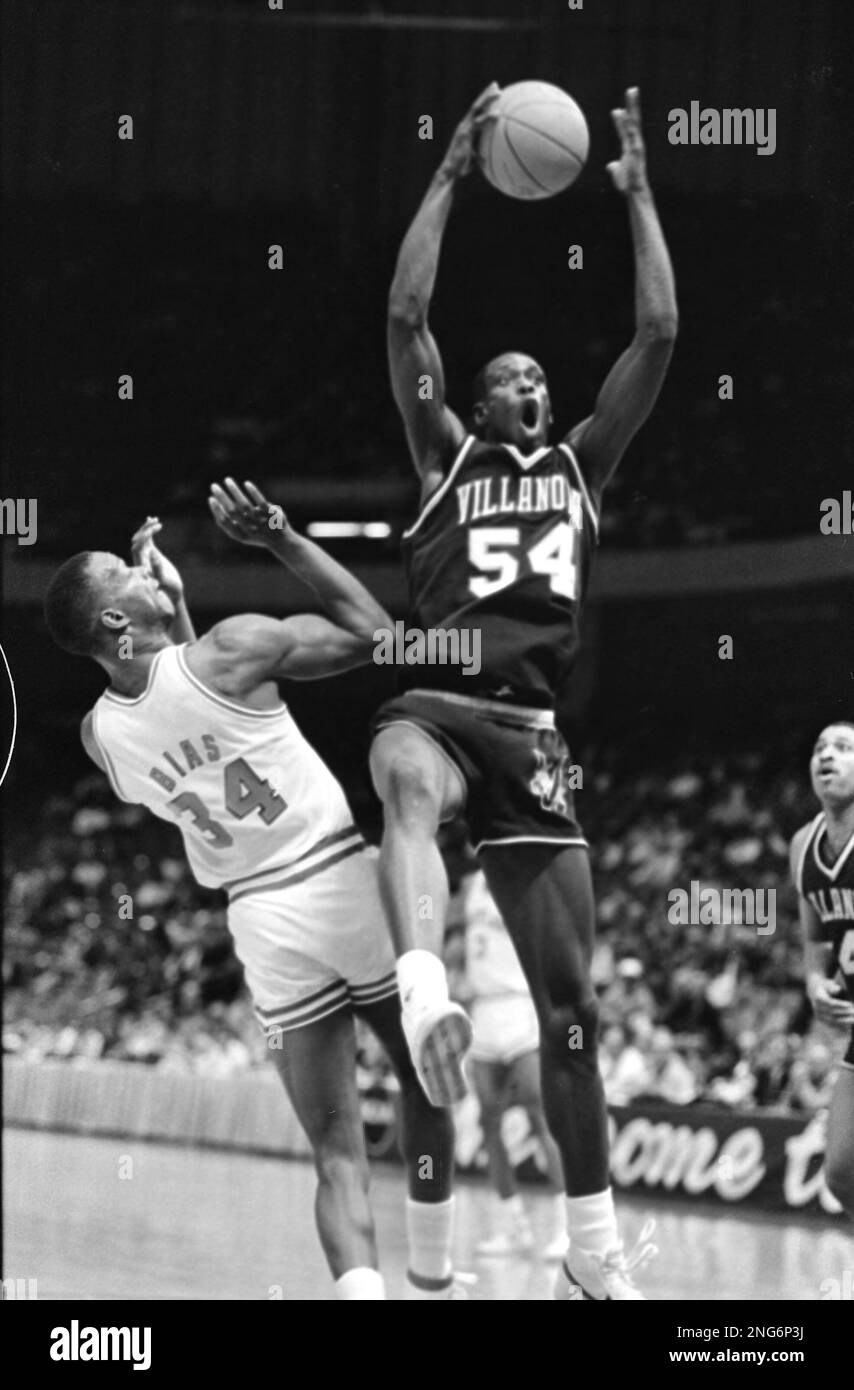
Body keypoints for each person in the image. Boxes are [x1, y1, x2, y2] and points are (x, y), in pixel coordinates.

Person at [369, 83, 676, 1300]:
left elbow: (654, 340)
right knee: (398, 775)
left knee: (572, 1012)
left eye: (540, 378)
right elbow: (402, 317)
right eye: (508, 378)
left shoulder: (583, 463)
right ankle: (423, 983)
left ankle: (591, 1256)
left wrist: (640, 194)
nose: (529, 386)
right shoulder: (442, 457)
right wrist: (447, 174)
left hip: (533, 734)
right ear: (476, 401)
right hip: (439, 699)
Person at [43, 480, 462, 1300]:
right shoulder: (231, 649)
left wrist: (175, 610)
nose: (144, 572)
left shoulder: (101, 739)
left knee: (336, 1150)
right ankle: (437, 1274)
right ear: (118, 623)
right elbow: (376, 634)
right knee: (421, 1078)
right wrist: (279, 540)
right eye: (123, 576)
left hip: (261, 922)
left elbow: (187, 715)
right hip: (336, 876)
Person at [457, 868, 567, 1261]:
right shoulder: (472, 883)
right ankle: (512, 1225)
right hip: (483, 1007)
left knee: (541, 1112)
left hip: (520, 1004)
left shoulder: (530, 878)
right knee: (489, 1122)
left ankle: (564, 1225)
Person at [789, 721, 854, 1221]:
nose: (826, 755)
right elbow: (814, 938)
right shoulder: (801, 846)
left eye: (843, 747)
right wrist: (814, 981)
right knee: (842, 1172)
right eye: (819, 747)